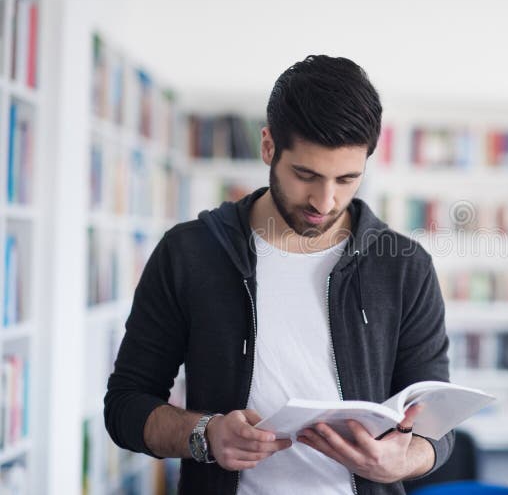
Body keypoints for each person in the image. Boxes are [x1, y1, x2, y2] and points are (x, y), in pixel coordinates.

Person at [104, 55, 453, 495]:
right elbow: (125, 406)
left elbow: (437, 423)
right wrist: (205, 435)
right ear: (268, 146)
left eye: (347, 179)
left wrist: (405, 459)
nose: (325, 202)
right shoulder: (189, 253)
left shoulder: (405, 265)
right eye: (305, 175)